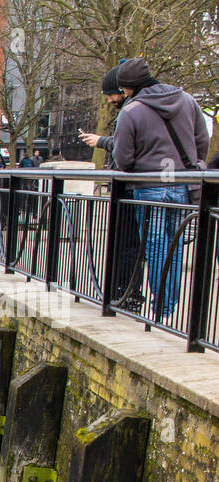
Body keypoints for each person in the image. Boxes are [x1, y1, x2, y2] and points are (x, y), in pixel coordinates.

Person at [112, 57, 210, 322]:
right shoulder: (187, 101)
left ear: (127, 87)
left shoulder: (131, 111)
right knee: (175, 247)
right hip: (181, 184)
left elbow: (122, 158)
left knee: (155, 247)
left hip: (149, 186)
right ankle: (168, 309)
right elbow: (202, 140)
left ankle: (160, 310)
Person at [78, 64, 145, 311]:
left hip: (128, 187)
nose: (109, 99)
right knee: (128, 242)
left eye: (111, 94)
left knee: (128, 243)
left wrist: (100, 142)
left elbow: (123, 148)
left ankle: (127, 294)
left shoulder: (130, 110)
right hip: (130, 185)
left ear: (123, 89)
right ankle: (125, 292)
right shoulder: (134, 108)